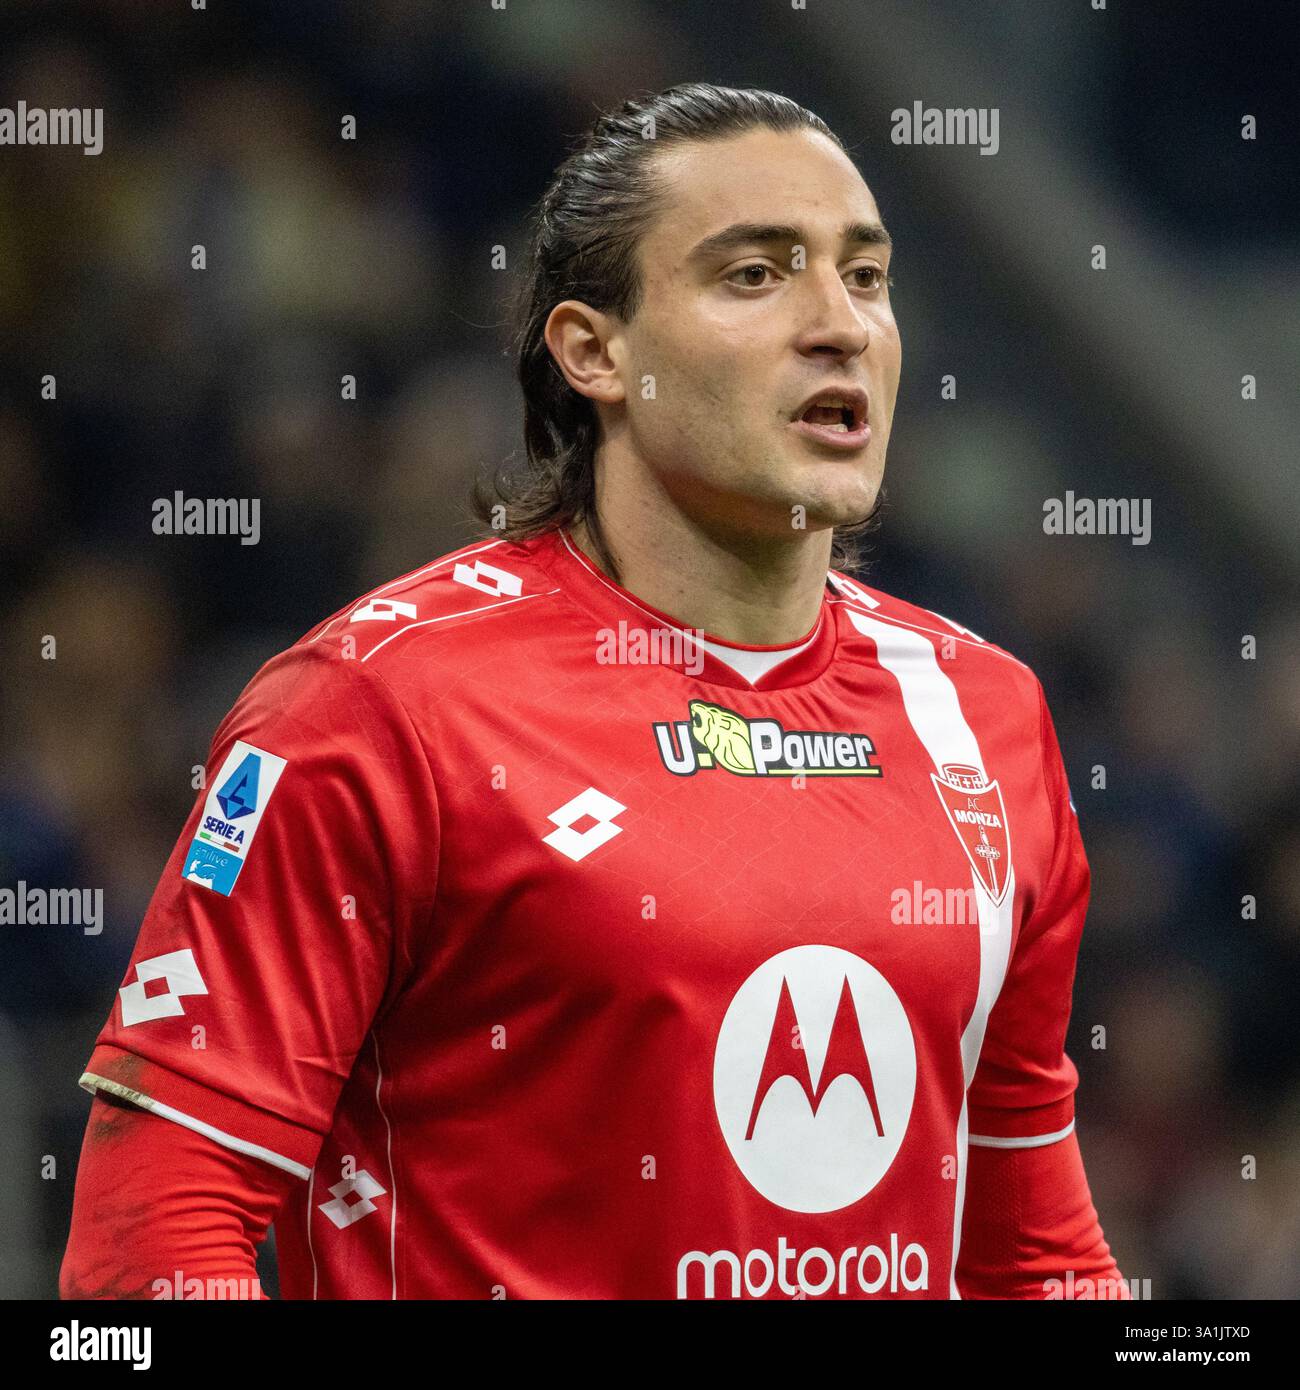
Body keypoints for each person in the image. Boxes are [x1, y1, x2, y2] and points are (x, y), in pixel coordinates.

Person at [62, 82, 1127, 1300]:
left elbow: (1033, 1255)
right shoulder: (377, 706)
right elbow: (151, 1243)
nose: (840, 325)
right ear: (593, 350)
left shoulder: (984, 718)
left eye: (866, 276)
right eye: (755, 276)